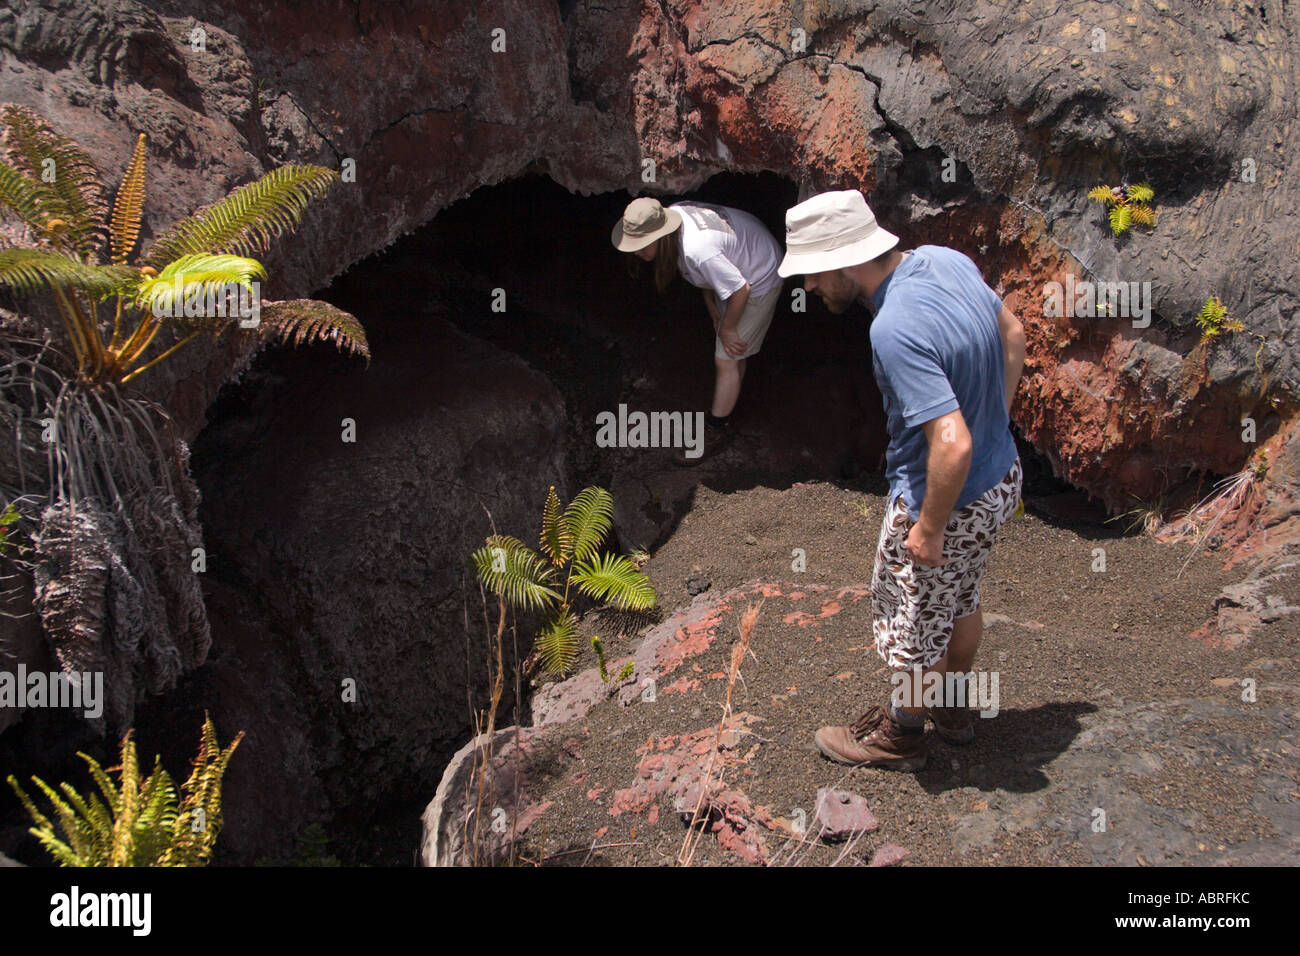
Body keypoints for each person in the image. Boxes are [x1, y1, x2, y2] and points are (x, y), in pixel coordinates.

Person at [776, 189, 1025, 771]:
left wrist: (931, 526)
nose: (809, 289)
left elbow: (950, 442)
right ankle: (955, 711)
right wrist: (995, 422)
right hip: (999, 478)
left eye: (812, 273)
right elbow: (1012, 334)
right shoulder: (945, 259)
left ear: (842, 258)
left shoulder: (893, 328)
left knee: (912, 624)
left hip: (947, 497)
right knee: (962, 597)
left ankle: (902, 734)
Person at [612, 197, 783, 464]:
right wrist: (712, 307)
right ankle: (733, 380)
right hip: (742, 255)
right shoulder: (675, 215)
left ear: (662, 235)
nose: (636, 252)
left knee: (725, 356)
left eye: (641, 245)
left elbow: (740, 289)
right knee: (731, 352)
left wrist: (728, 328)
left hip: (760, 275)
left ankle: (716, 429)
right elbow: (708, 274)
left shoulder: (697, 251)